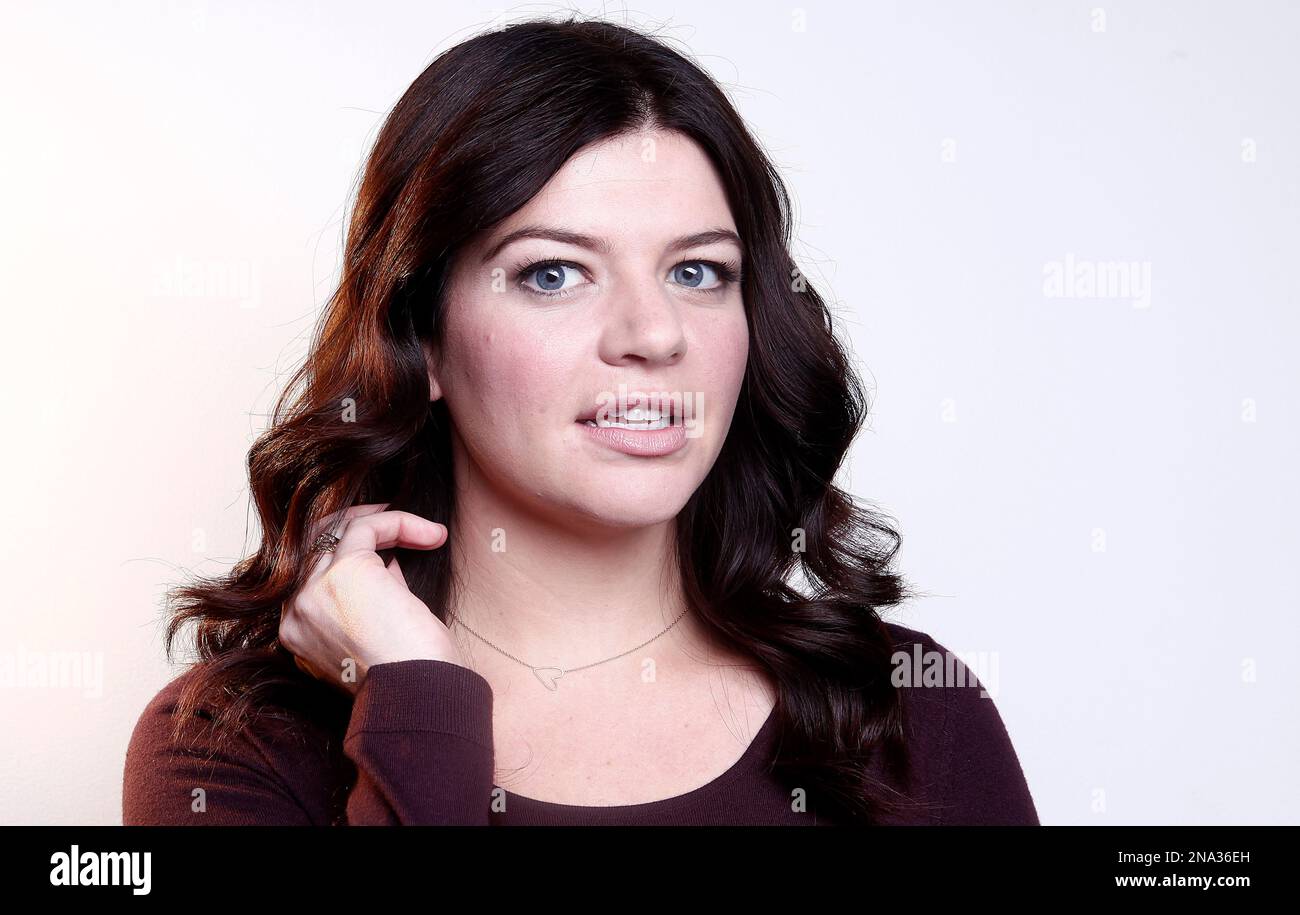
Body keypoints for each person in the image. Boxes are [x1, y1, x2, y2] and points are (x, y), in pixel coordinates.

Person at [122, 15, 1038, 826]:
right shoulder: (233, 749)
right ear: (422, 337)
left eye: (697, 271)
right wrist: (416, 697)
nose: (653, 334)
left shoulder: (910, 711)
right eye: (553, 272)